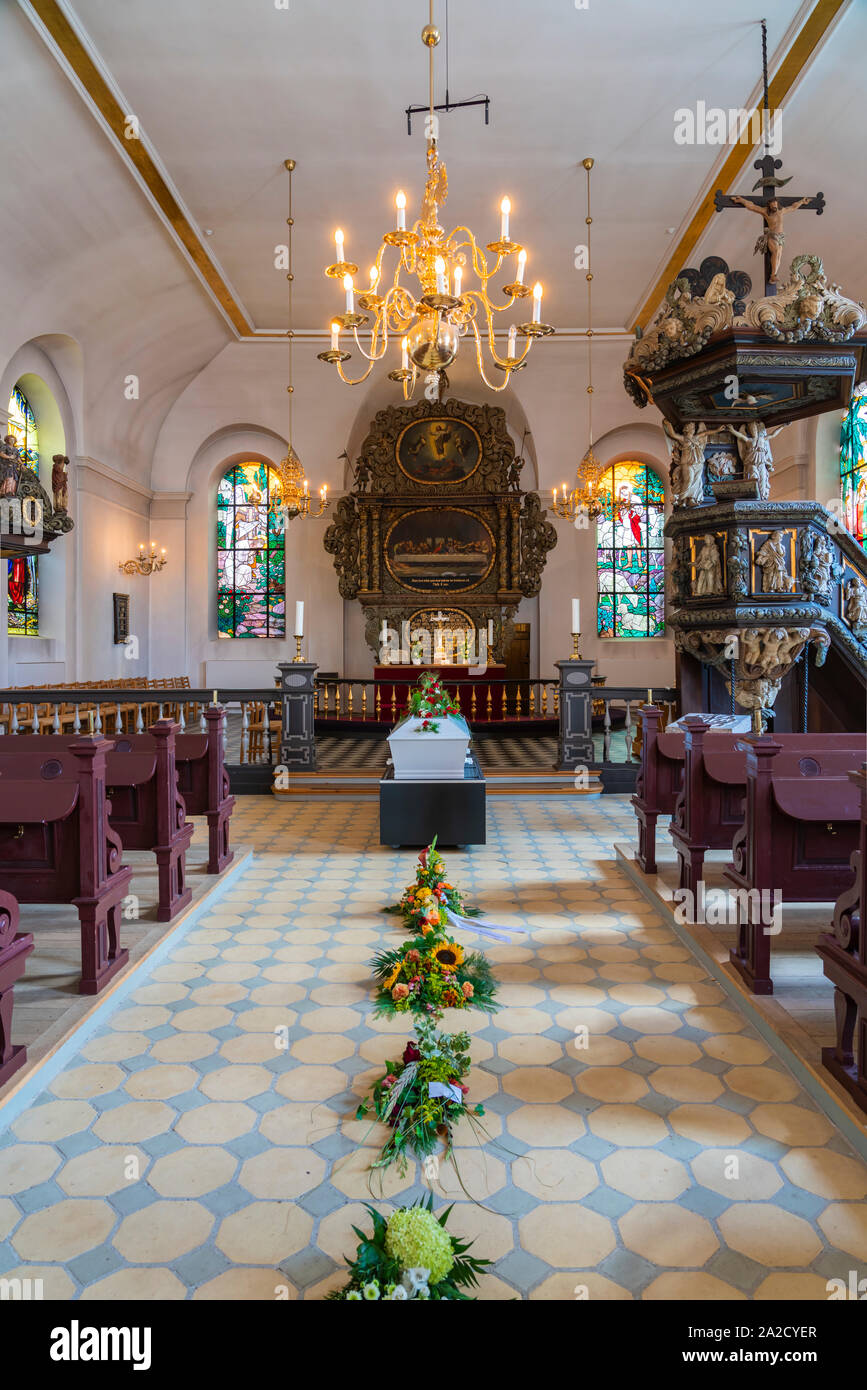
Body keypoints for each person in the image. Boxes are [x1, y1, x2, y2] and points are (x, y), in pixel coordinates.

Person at [728, 194, 813, 284]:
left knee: (779, 255)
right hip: (772, 235)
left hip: (781, 237)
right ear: (769, 205)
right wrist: (742, 200)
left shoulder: (781, 211)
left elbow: (793, 207)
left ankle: (774, 274)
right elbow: (752, 206)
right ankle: (773, 275)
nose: (774, 207)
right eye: (772, 206)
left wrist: (802, 201)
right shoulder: (765, 212)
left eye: (775, 205)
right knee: (775, 252)